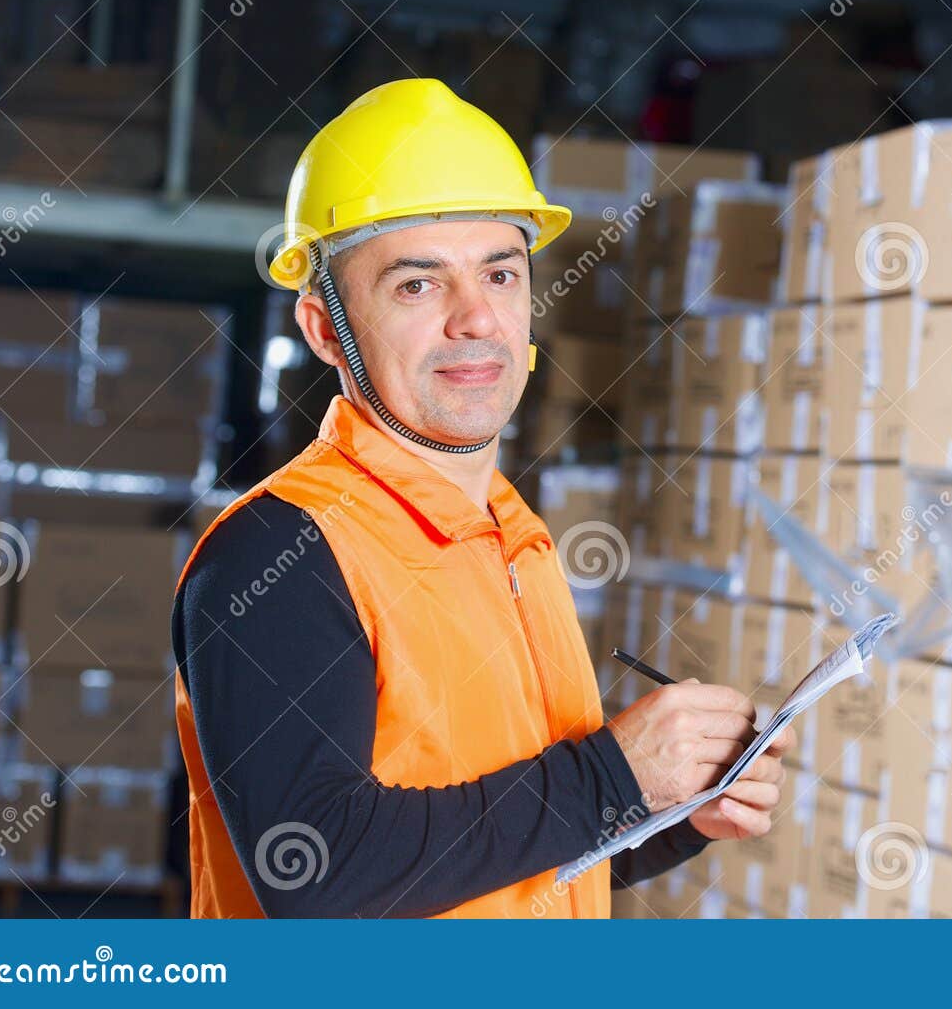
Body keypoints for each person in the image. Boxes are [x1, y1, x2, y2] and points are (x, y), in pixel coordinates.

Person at [171, 78, 789, 918]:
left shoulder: (509, 534)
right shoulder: (282, 551)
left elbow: (507, 857)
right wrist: (614, 774)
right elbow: (312, 869)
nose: (476, 320)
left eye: (499, 274)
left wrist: (673, 808)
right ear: (323, 329)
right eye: (417, 286)